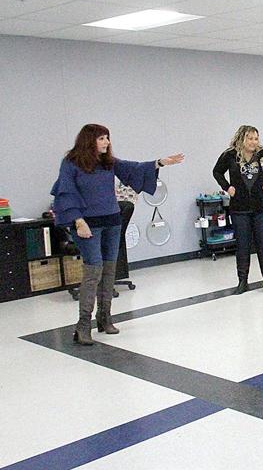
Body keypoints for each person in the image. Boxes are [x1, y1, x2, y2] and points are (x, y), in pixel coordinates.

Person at [51, 124, 184, 345]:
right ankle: (83, 326)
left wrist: (159, 163)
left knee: (110, 269)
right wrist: (78, 220)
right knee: (93, 271)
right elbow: (66, 193)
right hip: (87, 225)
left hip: (112, 222)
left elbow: (134, 169)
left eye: (107, 138)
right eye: (102, 138)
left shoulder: (108, 162)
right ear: (89, 140)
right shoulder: (71, 163)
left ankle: (105, 318)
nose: (106, 142)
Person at [213, 125, 263, 295]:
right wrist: (227, 187)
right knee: (242, 245)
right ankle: (243, 281)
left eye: (256, 138)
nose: (253, 142)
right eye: (250, 138)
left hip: (261, 208)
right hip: (239, 209)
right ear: (242, 138)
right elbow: (217, 172)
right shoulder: (230, 155)